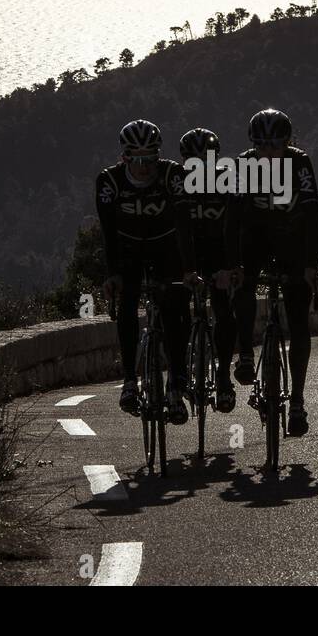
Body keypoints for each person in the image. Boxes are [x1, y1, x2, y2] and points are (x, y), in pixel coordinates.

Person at [225, 108, 318, 437]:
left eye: (275, 146)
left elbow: (312, 214)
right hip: (255, 237)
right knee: (244, 286)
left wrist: (311, 265)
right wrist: (233, 264)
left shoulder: (300, 163)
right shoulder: (242, 165)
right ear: (253, 145)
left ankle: (297, 401)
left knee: (298, 319)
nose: (268, 153)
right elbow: (232, 218)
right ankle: (247, 355)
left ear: (288, 143)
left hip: (292, 239)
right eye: (261, 146)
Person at [95, 119, 197, 424]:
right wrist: (112, 274)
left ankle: (176, 385)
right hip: (128, 252)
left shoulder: (172, 175)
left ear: (157, 156)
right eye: (136, 159)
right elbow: (108, 231)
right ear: (124, 157)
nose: (143, 167)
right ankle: (129, 381)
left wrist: (190, 268)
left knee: (175, 308)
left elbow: (184, 224)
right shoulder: (109, 182)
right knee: (127, 305)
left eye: (149, 159)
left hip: (165, 248)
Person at [178, 127, 237, 413]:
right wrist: (184, 269)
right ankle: (176, 379)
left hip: (218, 255)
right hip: (186, 255)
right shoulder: (177, 185)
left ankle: (224, 376)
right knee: (176, 312)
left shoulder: (229, 183)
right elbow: (173, 230)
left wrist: (229, 268)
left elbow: (235, 230)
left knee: (225, 312)